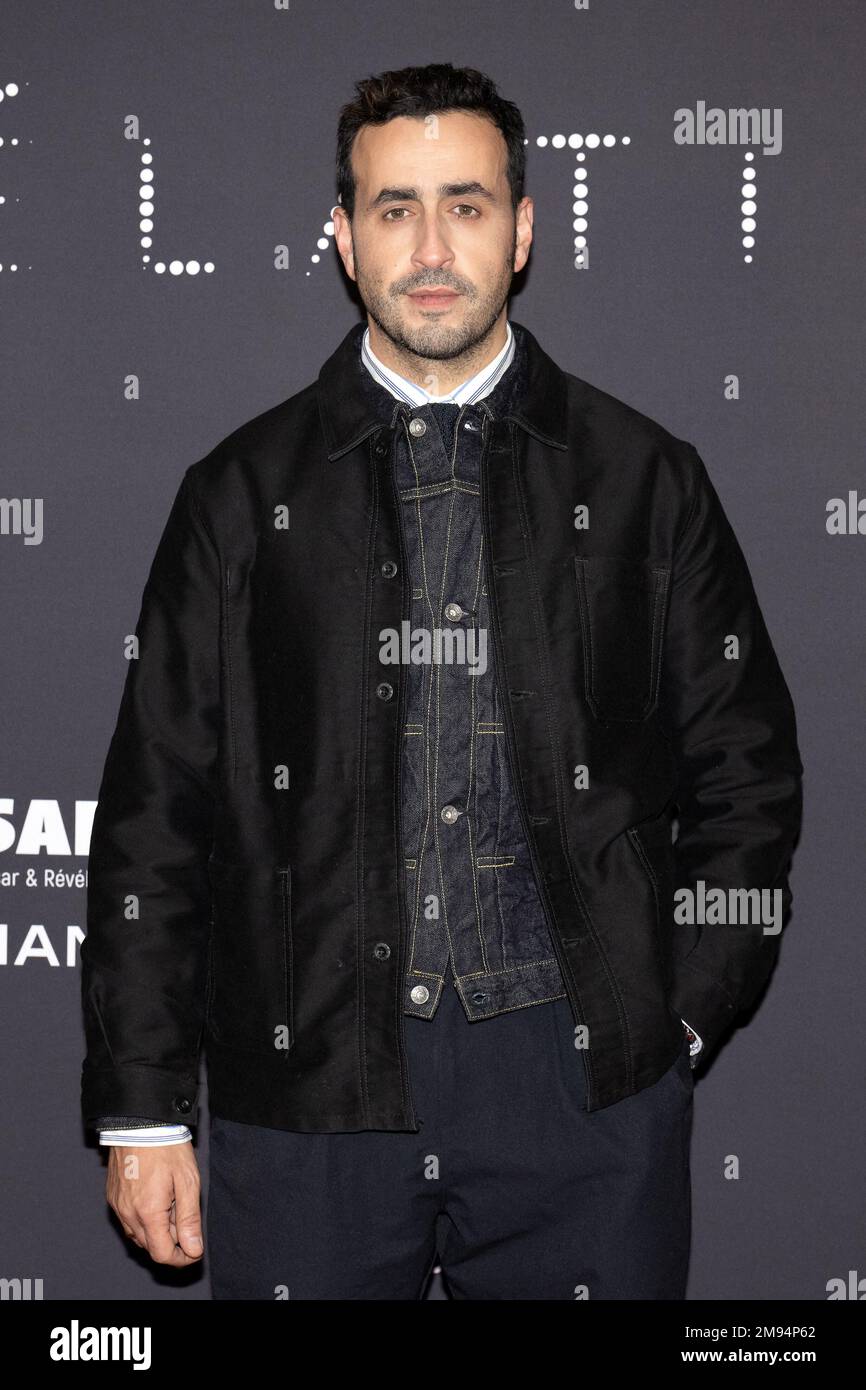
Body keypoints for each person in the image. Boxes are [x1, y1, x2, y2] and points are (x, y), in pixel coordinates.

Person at [81, 62, 803, 1299]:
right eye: (392, 207)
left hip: (581, 1092)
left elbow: (744, 775)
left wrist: (671, 1017)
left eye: (464, 205)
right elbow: (159, 809)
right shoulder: (239, 496)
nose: (428, 245)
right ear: (341, 238)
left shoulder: (642, 480)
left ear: (522, 231)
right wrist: (144, 1110)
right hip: (308, 1081)